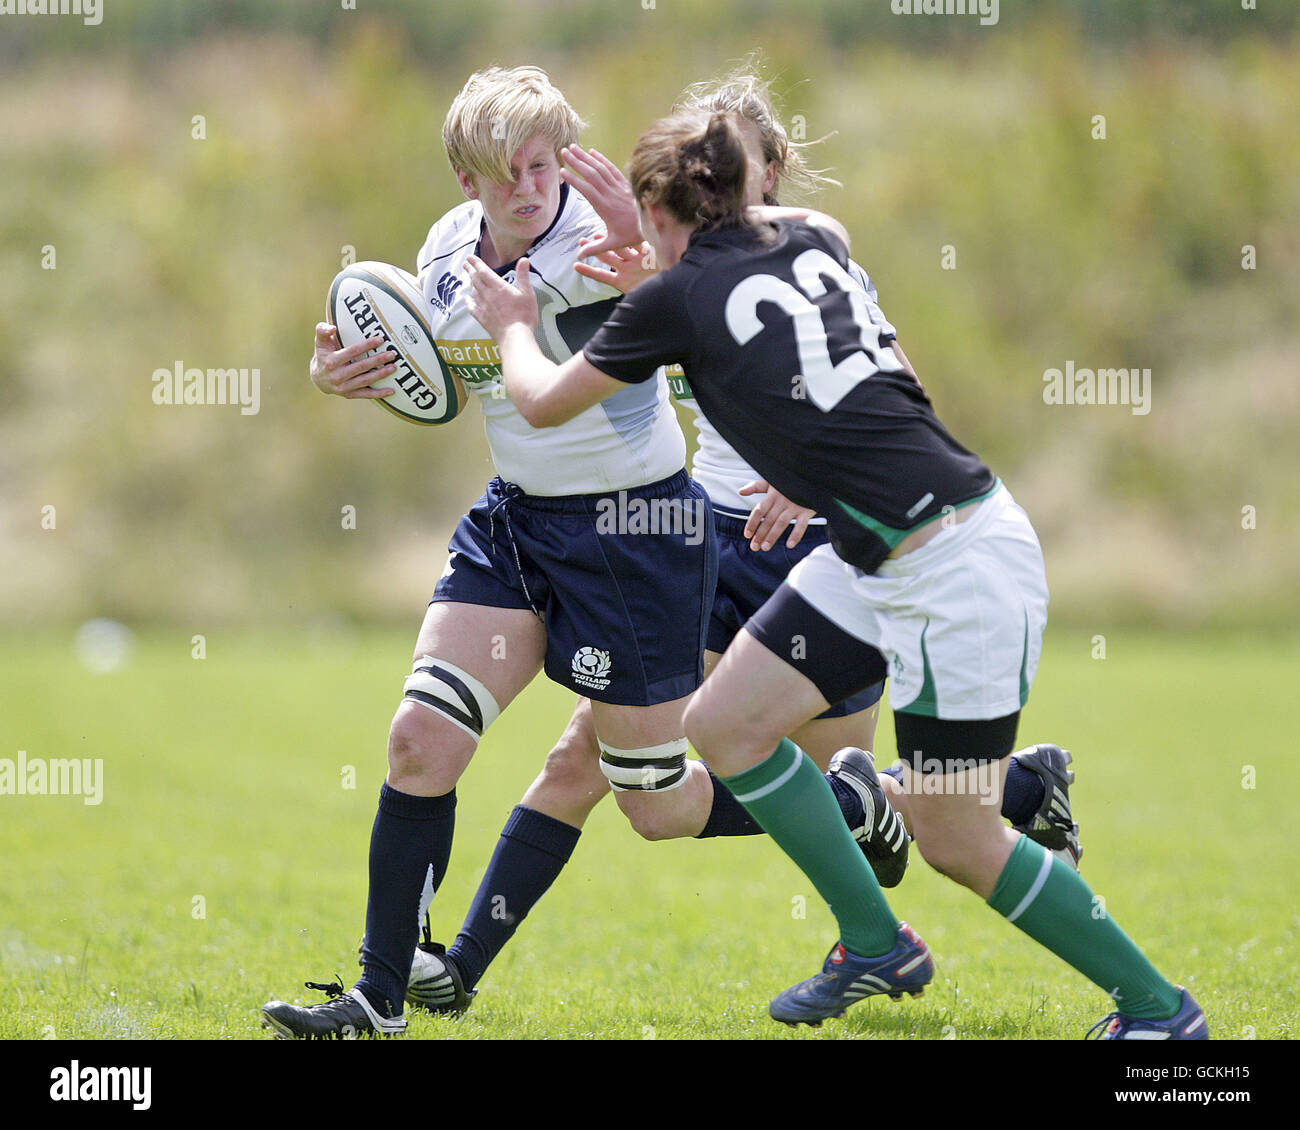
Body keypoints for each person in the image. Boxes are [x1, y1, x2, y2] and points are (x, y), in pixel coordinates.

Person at [462, 107, 1206, 1039]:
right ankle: (874, 942)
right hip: (876, 550)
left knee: (955, 839)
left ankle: (1157, 1010)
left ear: (656, 207)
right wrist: (657, 252)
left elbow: (535, 400)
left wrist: (514, 324)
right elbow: (762, 306)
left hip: (954, 564)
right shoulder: (816, 234)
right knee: (724, 724)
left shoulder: (672, 298)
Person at [260, 66, 722, 1040]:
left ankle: (858, 801)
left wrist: (649, 261)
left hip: (637, 535)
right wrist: (338, 366)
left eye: (542, 163)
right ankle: (377, 998)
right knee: (419, 741)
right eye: (503, 172)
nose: (528, 187)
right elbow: (431, 375)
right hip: (516, 524)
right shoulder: (440, 253)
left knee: (658, 805)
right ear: (464, 181)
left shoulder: (601, 246)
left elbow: (663, 335)